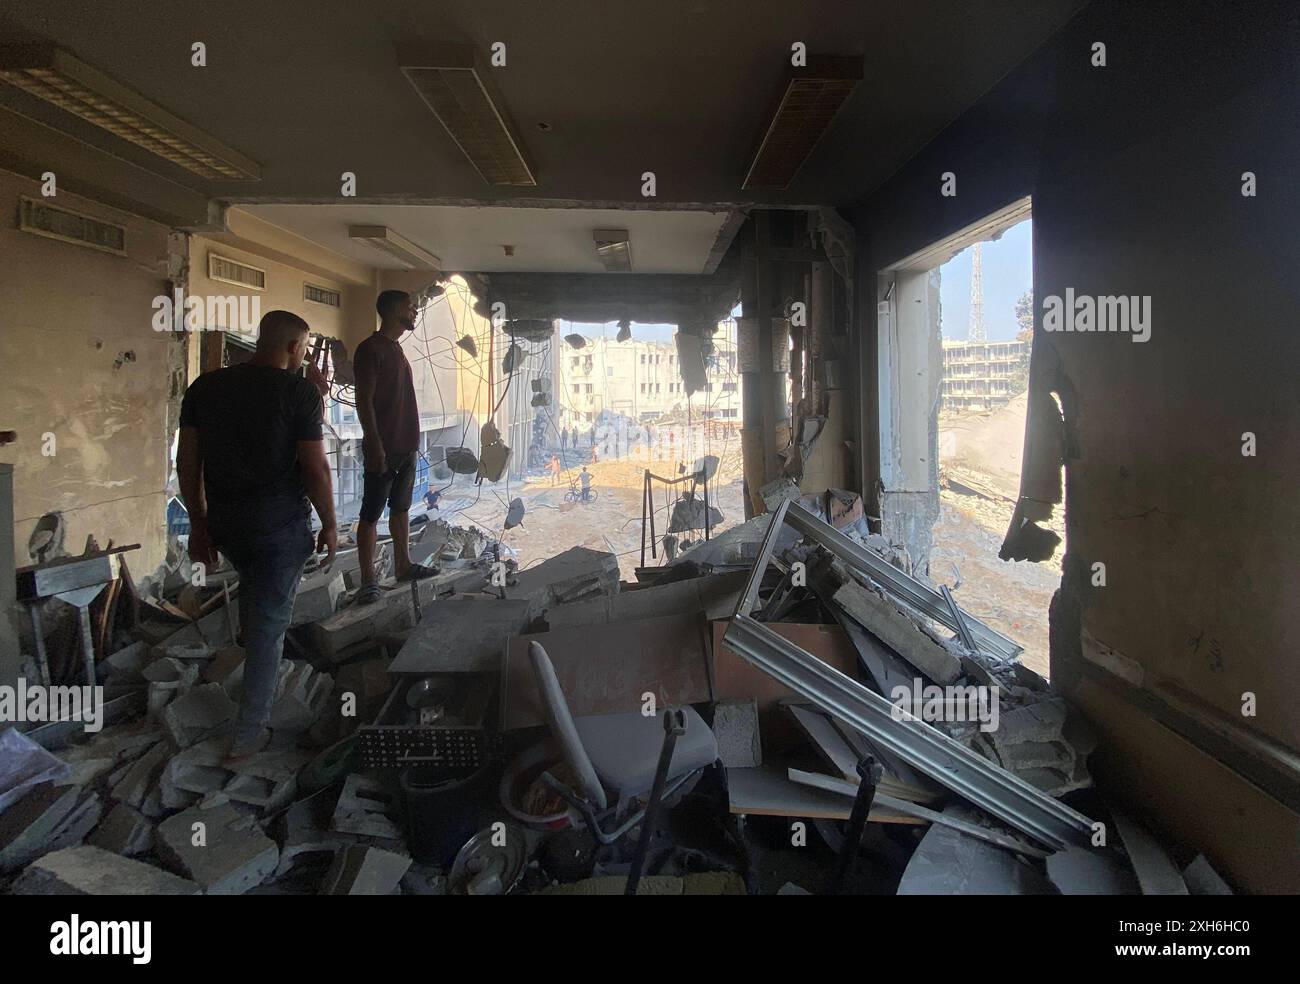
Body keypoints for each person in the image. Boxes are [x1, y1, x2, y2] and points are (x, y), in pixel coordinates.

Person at [177, 310, 336, 761]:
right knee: (268, 626)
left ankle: (255, 688)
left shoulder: (206, 387)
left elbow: (188, 461)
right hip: (279, 529)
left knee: (256, 609)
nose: (304, 354)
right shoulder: (298, 391)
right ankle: (249, 734)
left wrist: (199, 522)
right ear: (292, 346)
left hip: (229, 527)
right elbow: (315, 466)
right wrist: (329, 522)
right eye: (304, 346)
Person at [353, 290, 438, 604]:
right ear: (391, 310)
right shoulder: (370, 349)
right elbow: (364, 400)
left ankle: (403, 565)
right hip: (385, 446)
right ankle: (367, 580)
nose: (415, 311)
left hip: (405, 445)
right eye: (410, 306)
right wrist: (374, 443)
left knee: (401, 509)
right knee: (371, 514)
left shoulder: (396, 350)